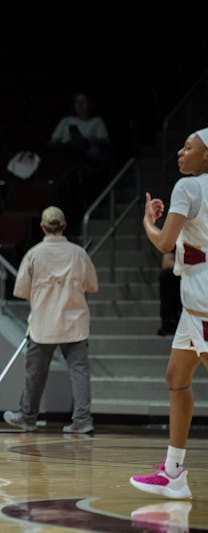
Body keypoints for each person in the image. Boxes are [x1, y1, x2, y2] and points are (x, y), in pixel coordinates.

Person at [130, 128, 208, 499]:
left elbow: (163, 242)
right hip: (193, 305)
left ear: (206, 156)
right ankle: (174, 471)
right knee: (176, 378)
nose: (180, 152)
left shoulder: (188, 187)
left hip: (204, 301)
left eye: (188, 147)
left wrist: (147, 219)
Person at [3, 206, 98, 434]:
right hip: (74, 323)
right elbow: (92, 286)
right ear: (64, 225)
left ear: (43, 227)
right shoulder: (79, 253)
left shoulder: (34, 254)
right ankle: (83, 420)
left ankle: (27, 417)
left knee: (35, 374)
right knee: (79, 372)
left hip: (42, 324)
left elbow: (21, 291)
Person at [49, 92, 111, 165]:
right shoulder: (66, 120)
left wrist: (87, 140)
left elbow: (106, 143)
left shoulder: (97, 121)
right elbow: (53, 141)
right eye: (77, 102)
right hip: (66, 155)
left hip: (88, 158)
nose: (80, 105)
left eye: (83, 101)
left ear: (90, 104)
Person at [158, 251, 182, 336]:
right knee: (167, 275)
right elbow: (166, 262)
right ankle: (170, 322)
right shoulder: (180, 238)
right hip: (189, 274)